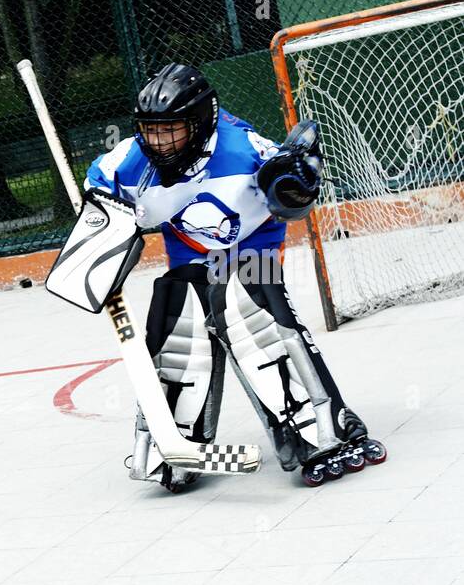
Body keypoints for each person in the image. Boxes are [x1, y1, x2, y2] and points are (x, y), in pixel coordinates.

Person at [84, 63, 385, 490]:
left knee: (246, 301)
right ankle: (176, 444)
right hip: (191, 248)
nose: (160, 142)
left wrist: (296, 180)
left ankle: (322, 428)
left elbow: (293, 184)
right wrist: (99, 235)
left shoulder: (244, 152)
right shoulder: (126, 164)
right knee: (177, 312)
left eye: (171, 129)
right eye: (151, 130)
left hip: (252, 242)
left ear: (201, 120)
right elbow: (98, 204)